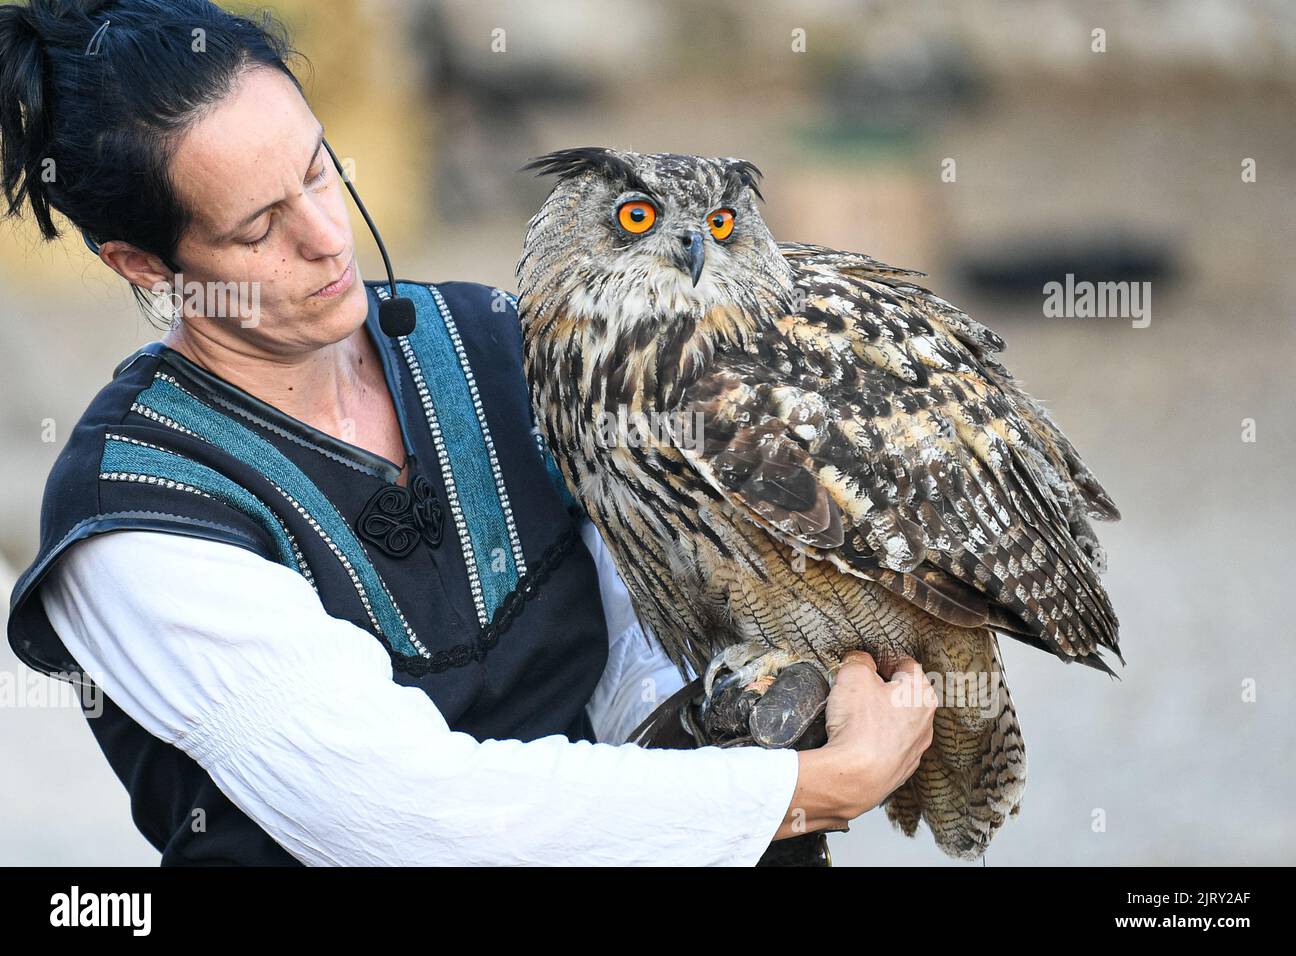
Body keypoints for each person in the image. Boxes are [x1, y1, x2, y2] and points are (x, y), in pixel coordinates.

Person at [0, 0, 937, 866]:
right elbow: (399, 811)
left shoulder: (503, 341)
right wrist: (794, 791)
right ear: (142, 263)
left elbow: (645, 644)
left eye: (321, 169)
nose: (328, 237)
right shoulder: (134, 517)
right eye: (258, 230)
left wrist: (796, 689)